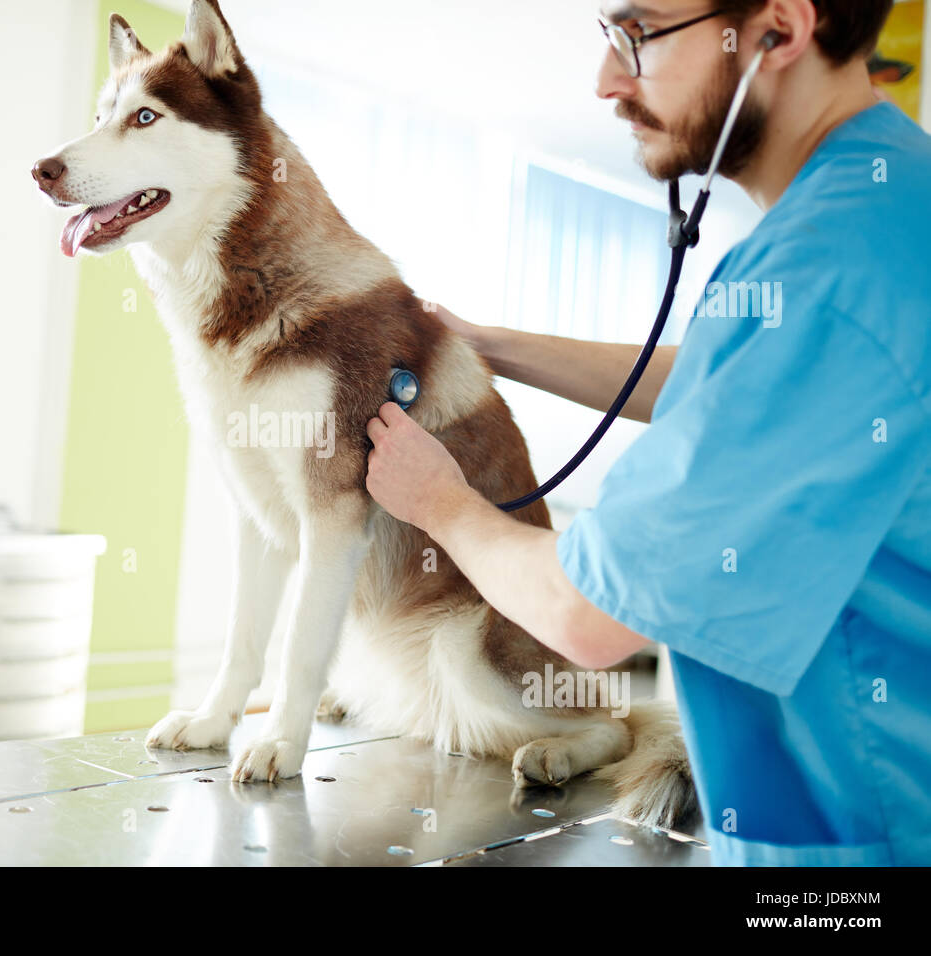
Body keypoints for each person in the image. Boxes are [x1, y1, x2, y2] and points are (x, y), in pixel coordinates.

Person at [365, 0, 930, 866]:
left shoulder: (827, 267)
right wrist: (491, 346)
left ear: (778, 29)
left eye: (638, 33)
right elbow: (731, 384)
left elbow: (588, 616)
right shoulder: (883, 203)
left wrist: (440, 502)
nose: (606, 80)